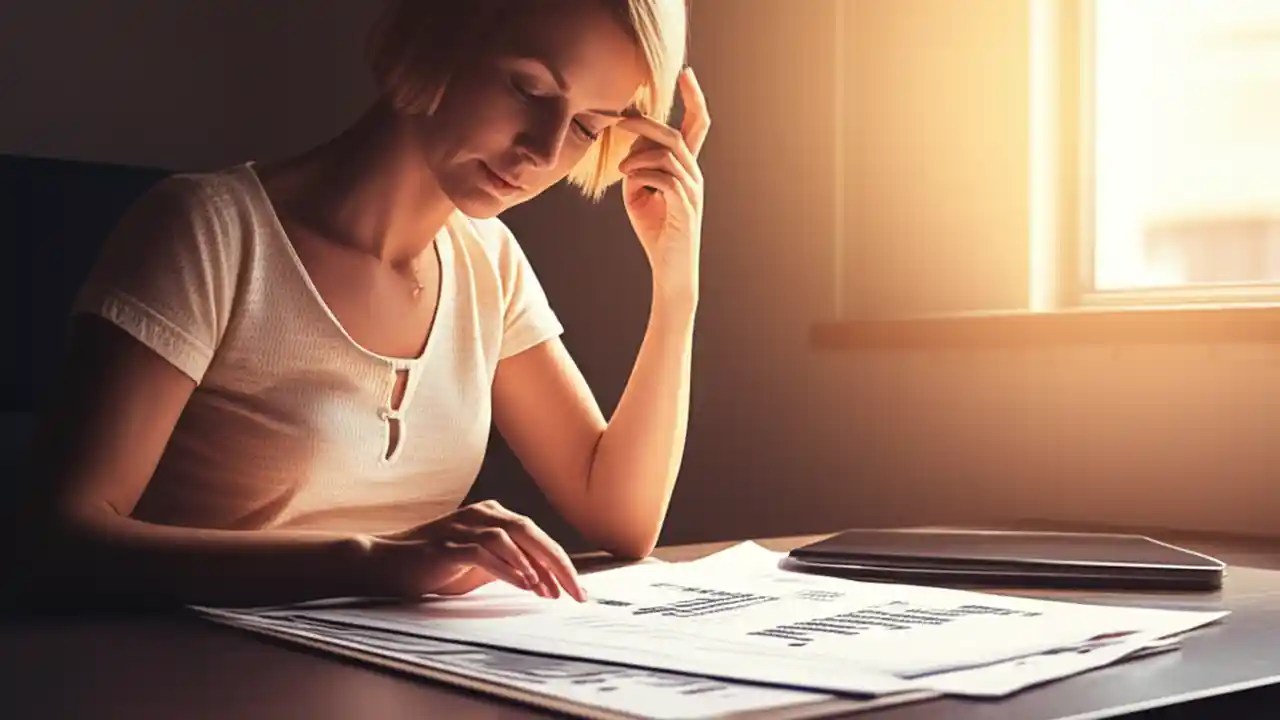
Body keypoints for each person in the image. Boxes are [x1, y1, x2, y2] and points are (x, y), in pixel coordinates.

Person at [15, 0, 709, 608]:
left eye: (589, 127)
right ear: (441, 33)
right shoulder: (210, 232)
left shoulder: (488, 263)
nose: (544, 149)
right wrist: (373, 561)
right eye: (528, 88)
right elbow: (58, 538)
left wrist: (677, 288)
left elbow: (621, 518)